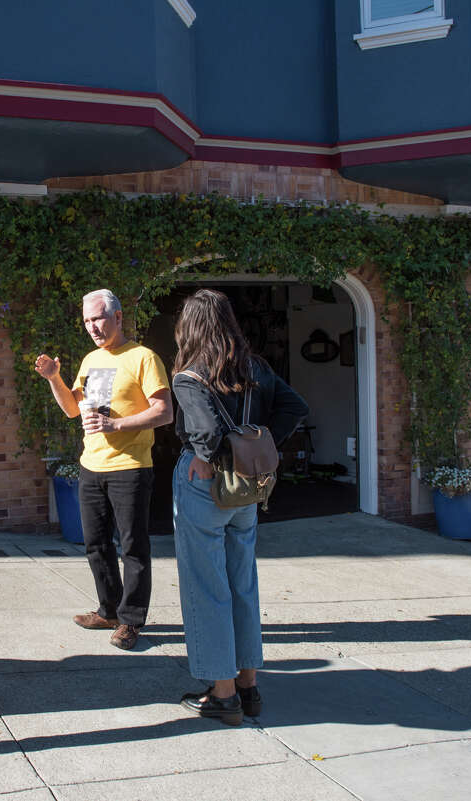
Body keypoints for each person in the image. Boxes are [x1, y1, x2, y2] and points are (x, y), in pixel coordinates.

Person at [170, 289, 308, 725]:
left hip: (205, 486)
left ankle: (222, 692)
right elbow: (294, 407)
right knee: (242, 582)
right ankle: (248, 685)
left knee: (206, 585)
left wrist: (204, 456)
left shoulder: (189, 376)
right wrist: (262, 443)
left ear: (189, 327)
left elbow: (206, 432)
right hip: (248, 485)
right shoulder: (258, 368)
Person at [34, 289, 172, 651]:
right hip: (91, 466)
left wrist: (118, 426)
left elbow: (164, 411)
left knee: (133, 548)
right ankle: (108, 610)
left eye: (98, 318)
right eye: (86, 321)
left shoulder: (144, 358)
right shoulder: (91, 360)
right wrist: (53, 377)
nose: (92, 327)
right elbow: (71, 410)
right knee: (95, 544)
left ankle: (131, 621)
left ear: (118, 317)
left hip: (130, 467)